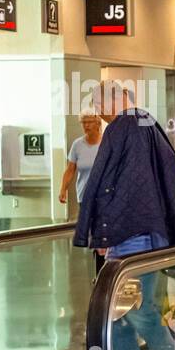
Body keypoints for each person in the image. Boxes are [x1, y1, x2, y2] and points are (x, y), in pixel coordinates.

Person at [74, 81, 175, 350]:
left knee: (140, 313)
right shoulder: (147, 124)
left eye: (100, 107)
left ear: (113, 101)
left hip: (130, 238)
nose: (99, 115)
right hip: (145, 234)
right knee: (118, 314)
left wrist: (103, 232)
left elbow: (111, 185)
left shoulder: (123, 127)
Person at [59, 110, 104, 270]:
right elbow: (70, 169)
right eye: (83, 122)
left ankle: (101, 272)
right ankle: (99, 267)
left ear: (98, 123)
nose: (85, 126)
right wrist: (63, 189)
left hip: (104, 197)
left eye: (89, 122)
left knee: (101, 236)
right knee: (94, 236)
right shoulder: (77, 145)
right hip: (84, 197)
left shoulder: (106, 143)